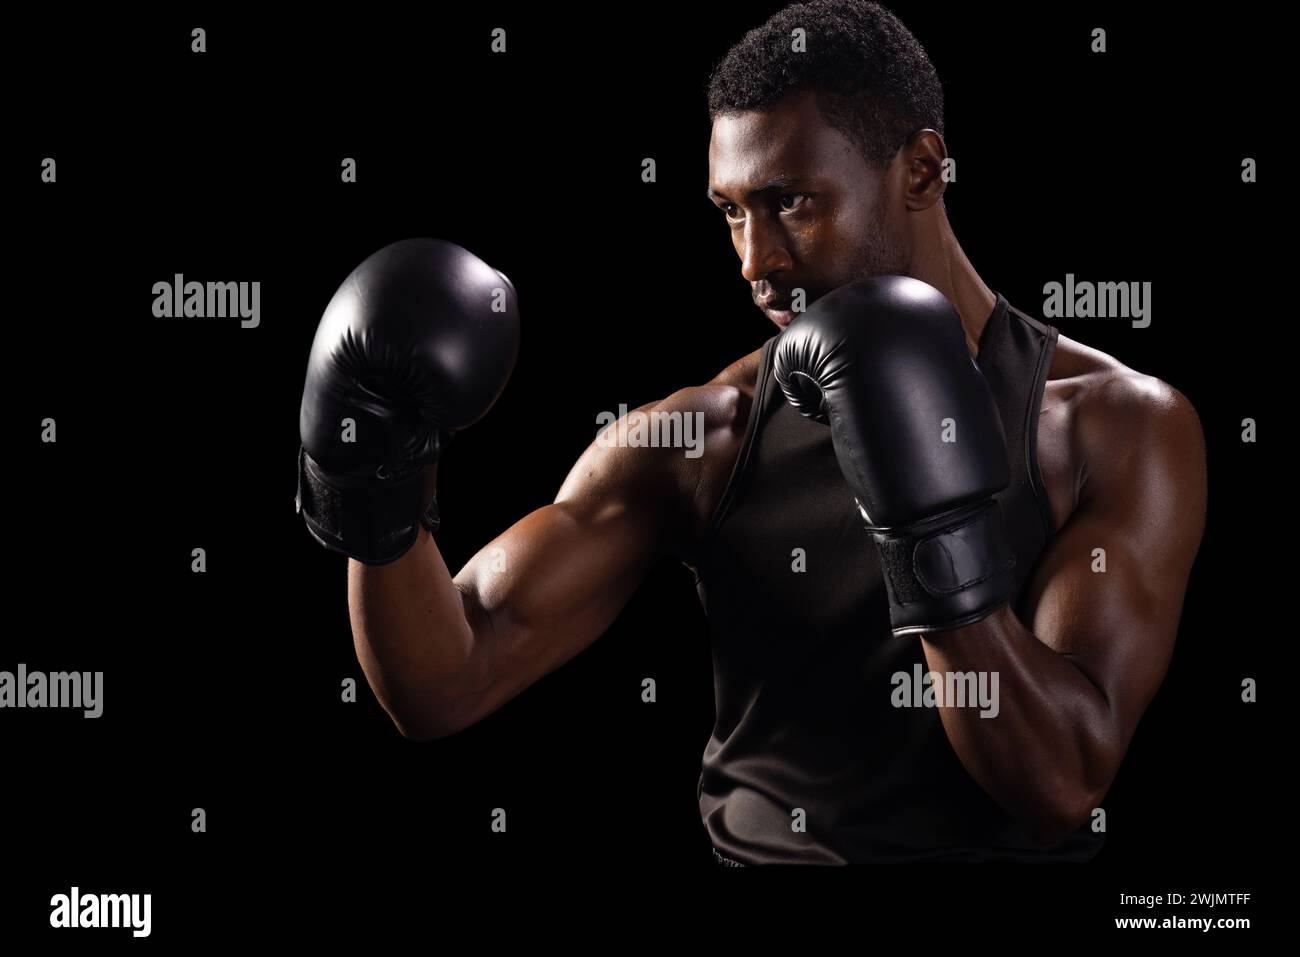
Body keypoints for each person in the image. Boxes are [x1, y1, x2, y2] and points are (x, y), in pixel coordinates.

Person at [296, 1, 1207, 864]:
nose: (754, 261)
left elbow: (1061, 782)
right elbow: (443, 681)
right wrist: (372, 473)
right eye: (731, 211)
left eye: (791, 203)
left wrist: (929, 530)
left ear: (923, 169)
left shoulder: (1113, 424)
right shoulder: (708, 436)